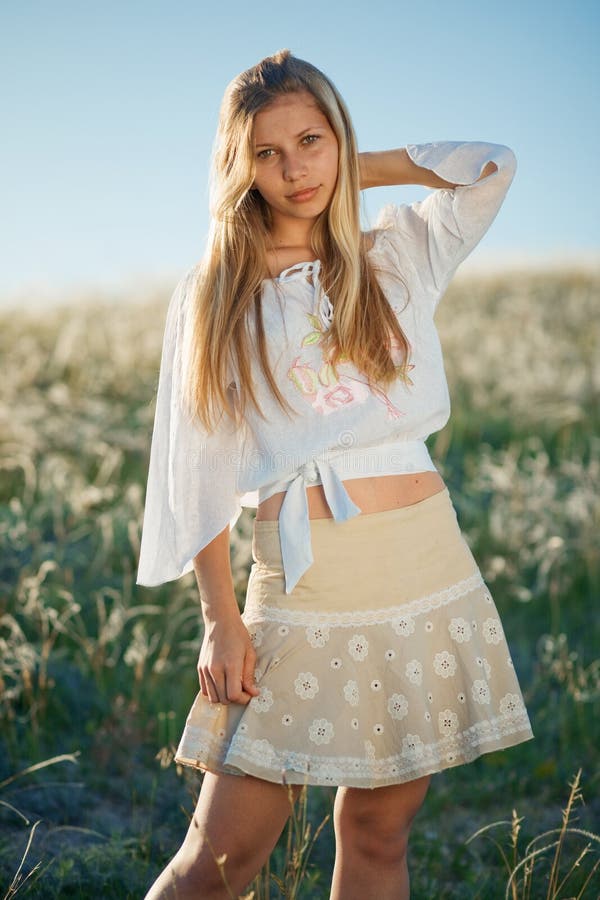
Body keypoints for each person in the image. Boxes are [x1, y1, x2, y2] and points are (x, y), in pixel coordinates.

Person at [137, 49, 534, 900]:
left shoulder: (396, 254)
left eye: (312, 140)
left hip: (426, 565)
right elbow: (195, 473)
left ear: (340, 139)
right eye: (269, 154)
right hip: (304, 581)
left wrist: (358, 170)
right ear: (240, 169)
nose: (295, 169)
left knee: (377, 832)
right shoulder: (216, 294)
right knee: (220, 857)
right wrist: (219, 619)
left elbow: (491, 164)